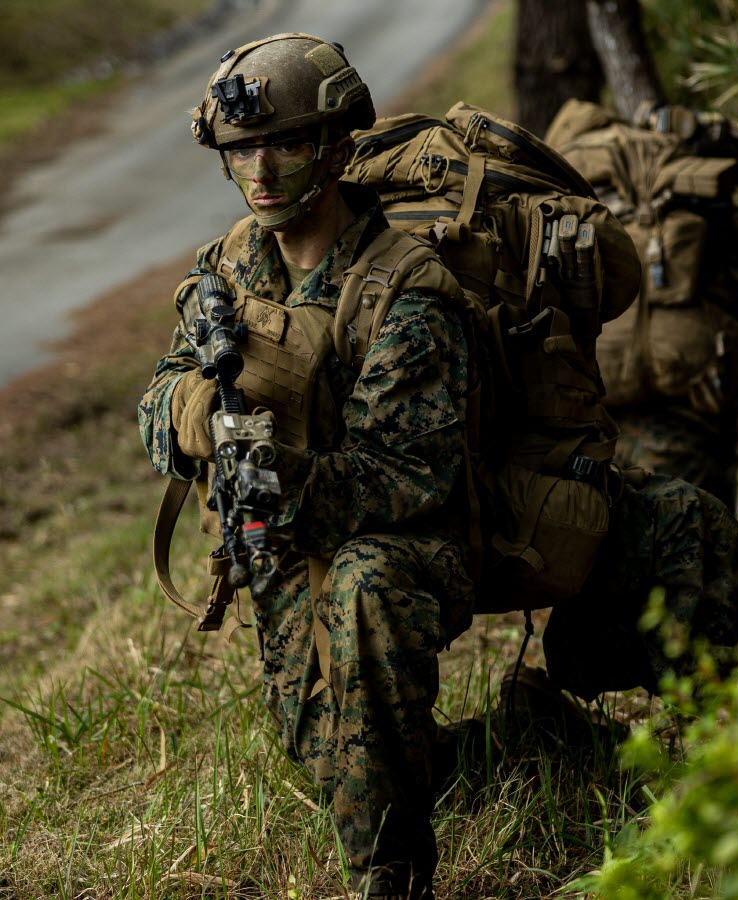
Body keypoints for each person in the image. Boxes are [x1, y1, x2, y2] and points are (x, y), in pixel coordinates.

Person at [139, 34, 475, 900]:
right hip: (280, 548)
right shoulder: (231, 265)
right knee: (324, 748)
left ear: (334, 148)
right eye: (241, 148)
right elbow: (157, 406)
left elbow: (413, 479)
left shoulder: (407, 288)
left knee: (363, 601)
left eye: (283, 143)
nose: (259, 169)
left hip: (407, 545)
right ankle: (473, 746)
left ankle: (391, 879)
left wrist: (282, 474)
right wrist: (197, 417)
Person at [545, 99, 738, 510]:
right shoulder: (688, 206)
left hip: (586, 432)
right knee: (696, 551)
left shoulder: (551, 221)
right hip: (688, 421)